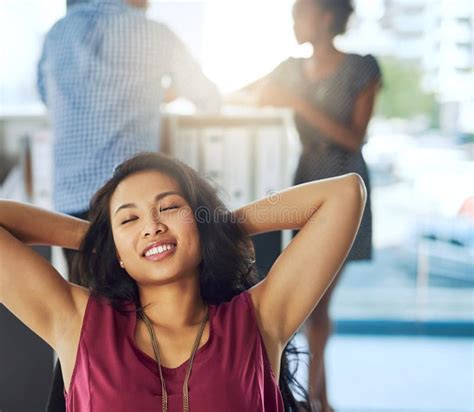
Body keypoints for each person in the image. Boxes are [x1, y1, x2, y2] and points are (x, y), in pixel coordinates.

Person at [0, 152, 366, 411]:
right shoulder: (76, 320)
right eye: (129, 219)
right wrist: (101, 240)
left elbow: (345, 194)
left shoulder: (261, 318)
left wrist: (218, 228)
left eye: (170, 207)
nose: (152, 226)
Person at [37, 0, 221, 407]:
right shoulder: (153, 33)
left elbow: (47, 95)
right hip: (137, 207)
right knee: (124, 324)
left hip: (72, 207)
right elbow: (208, 97)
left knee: (84, 326)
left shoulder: (58, 33)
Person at [232, 1, 382, 409]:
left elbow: (354, 138)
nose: (294, 24)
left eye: (300, 15)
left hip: (347, 182)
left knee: (319, 301)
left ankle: (315, 399)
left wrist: (297, 103)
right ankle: (318, 399)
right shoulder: (289, 67)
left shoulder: (362, 67)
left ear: (327, 18)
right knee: (309, 300)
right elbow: (241, 94)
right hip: (304, 184)